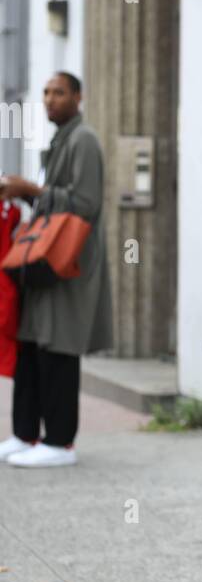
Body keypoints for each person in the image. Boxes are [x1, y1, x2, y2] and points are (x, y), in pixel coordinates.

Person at [0, 72, 113, 467]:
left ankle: (60, 443)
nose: (50, 99)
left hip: (70, 264)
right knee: (31, 344)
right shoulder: (61, 139)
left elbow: (85, 204)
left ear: (78, 97)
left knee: (59, 349)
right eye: (47, 92)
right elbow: (54, 204)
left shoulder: (84, 141)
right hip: (45, 264)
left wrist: (30, 189)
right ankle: (25, 433)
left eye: (59, 92)